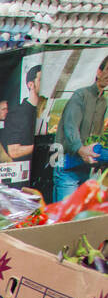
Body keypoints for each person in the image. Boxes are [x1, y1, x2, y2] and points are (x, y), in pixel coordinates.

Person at [53, 54, 108, 201]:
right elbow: (70, 126)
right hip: (67, 163)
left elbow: (97, 133)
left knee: (80, 214)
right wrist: (80, 148)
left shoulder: (103, 102)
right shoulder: (81, 95)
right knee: (65, 216)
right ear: (99, 72)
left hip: (84, 165)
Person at [3, 64, 41, 161]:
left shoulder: (44, 108)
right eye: (41, 80)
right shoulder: (17, 113)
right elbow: (14, 151)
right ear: (31, 85)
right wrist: (42, 146)